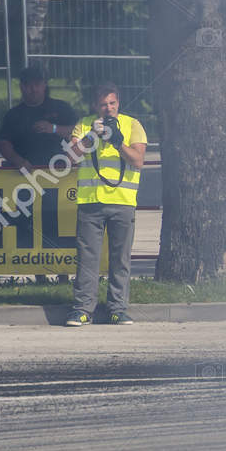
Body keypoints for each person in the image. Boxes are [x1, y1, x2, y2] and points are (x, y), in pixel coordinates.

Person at [65, 83, 146, 326]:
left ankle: (118, 309)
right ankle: (82, 309)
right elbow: (71, 156)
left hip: (122, 201)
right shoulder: (85, 124)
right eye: (103, 104)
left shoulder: (132, 124)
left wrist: (118, 142)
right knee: (87, 258)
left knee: (120, 259)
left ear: (118, 103)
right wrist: (92, 136)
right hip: (91, 202)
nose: (108, 108)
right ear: (95, 106)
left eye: (112, 103)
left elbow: (138, 160)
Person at [0, 64, 78, 171]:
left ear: (44, 85)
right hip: (25, 175)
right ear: (21, 87)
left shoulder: (61, 108)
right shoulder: (13, 114)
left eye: (37, 84)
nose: (33, 89)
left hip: (60, 173)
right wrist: (18, 161)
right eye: (28, 85)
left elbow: (79, 131)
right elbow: (4, 143)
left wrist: (54, 128)